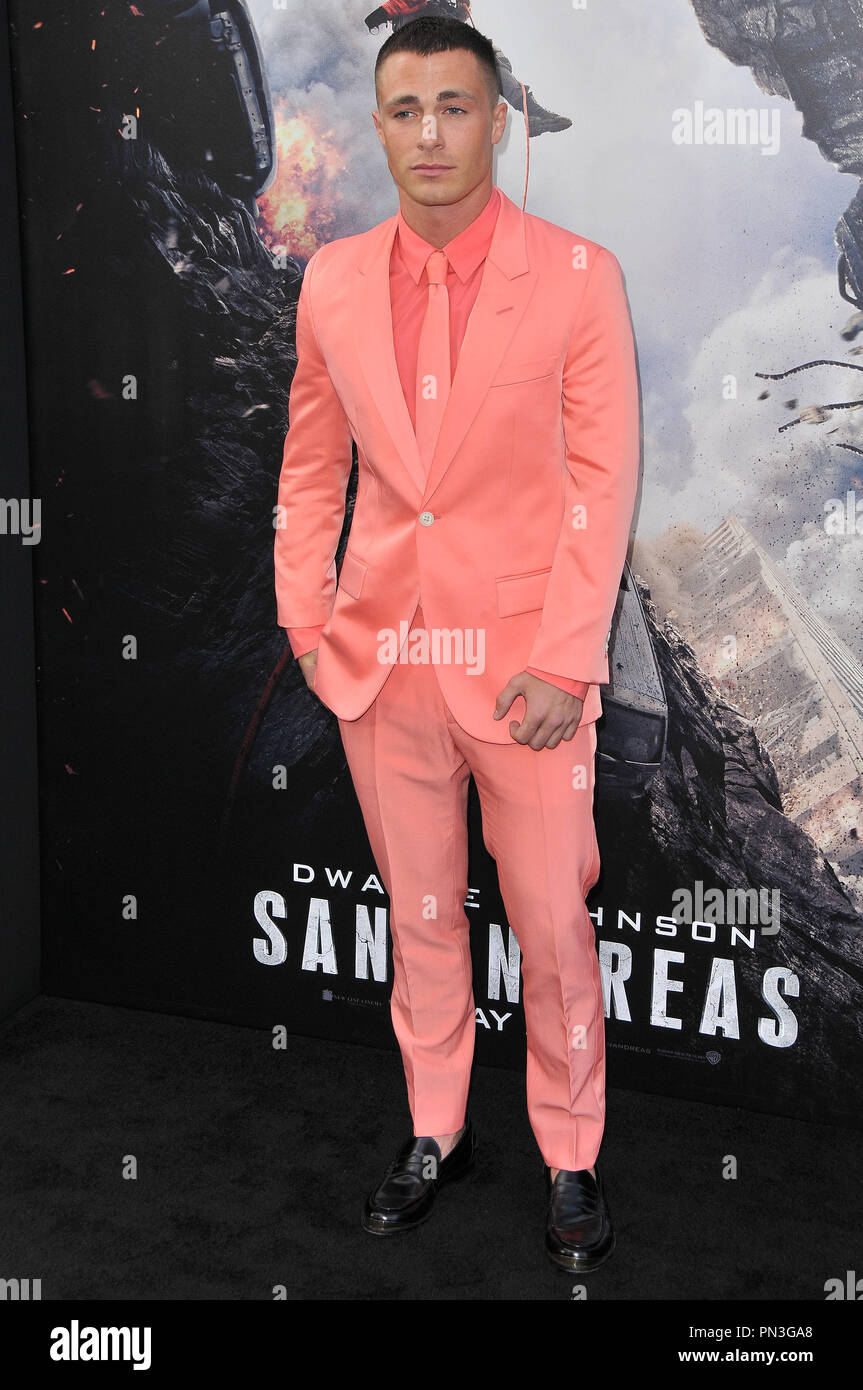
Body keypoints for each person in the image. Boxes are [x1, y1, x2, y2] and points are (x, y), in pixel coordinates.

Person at [273, 14, 640, 1272]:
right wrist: (307, 630)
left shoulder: (581, 277)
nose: (428, 132)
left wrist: (567, 658)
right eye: (404, 108)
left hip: (528, 677)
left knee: (549, 926)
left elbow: (603, 480)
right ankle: (436, 1128)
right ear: (378, 124)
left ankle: (570, 1152)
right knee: (422, 916)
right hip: (380, 671)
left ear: (498, 118)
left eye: (452, 106)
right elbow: (312, 468)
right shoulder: (328, 281)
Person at [364, 0, 573, 134]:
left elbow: (458, 13)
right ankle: (532, 112)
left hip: (433, 48)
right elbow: (403, 3)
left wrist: (461, 6)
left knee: (491, 66)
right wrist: (381, 13)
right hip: (432, 39)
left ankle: (533, 114)